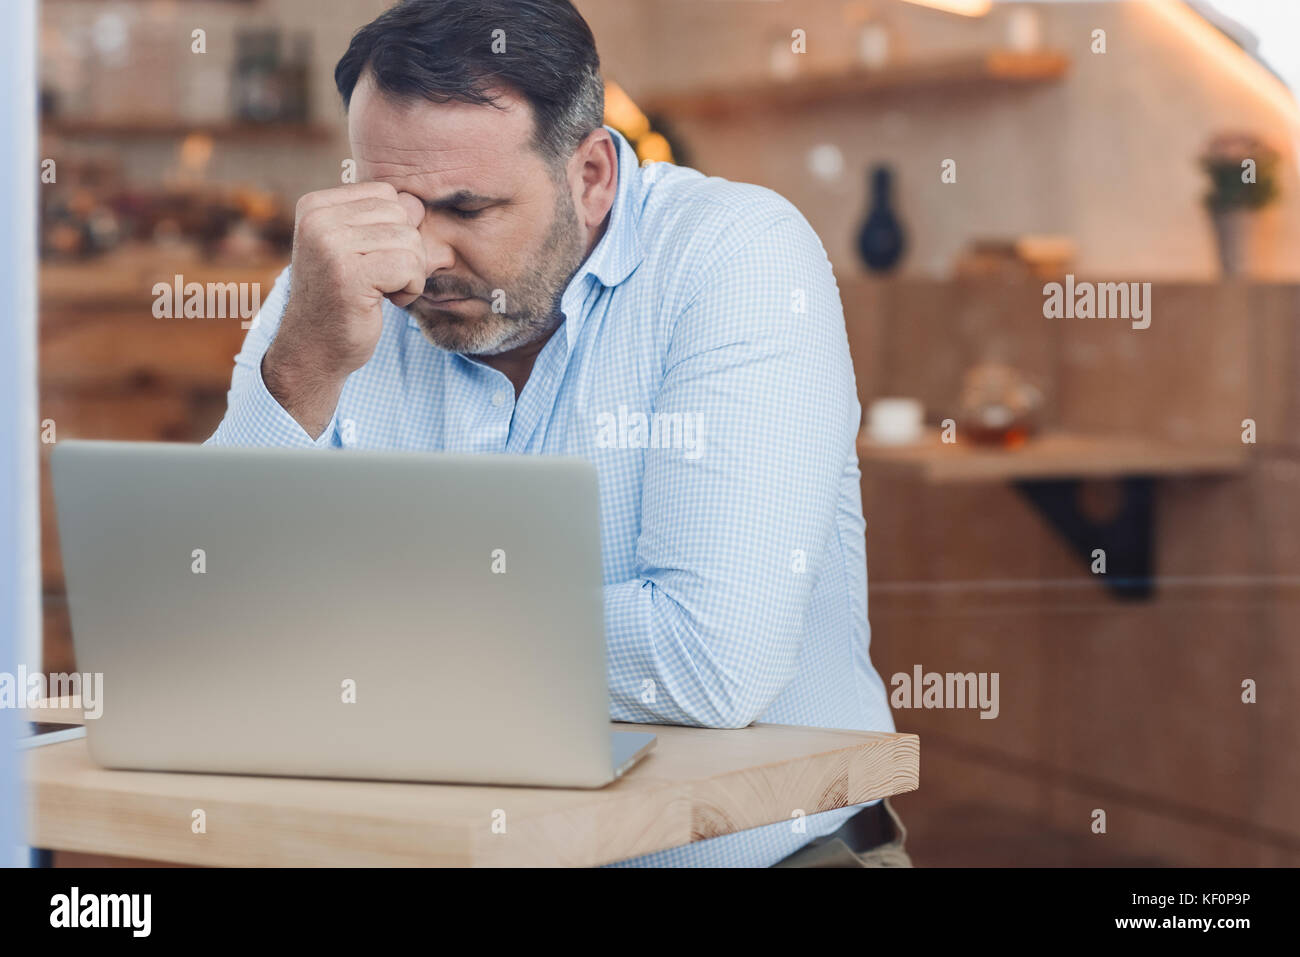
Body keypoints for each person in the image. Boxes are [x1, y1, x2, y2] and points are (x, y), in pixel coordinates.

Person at [207, 0, 906, 868]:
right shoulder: (334, 282)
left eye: (467, 207)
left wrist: (354, 625)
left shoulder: (739, 258)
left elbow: (707, 660)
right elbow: (211, 628)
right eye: (389, 203)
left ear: (592, 176)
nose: (420, 255)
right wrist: (304, 367)